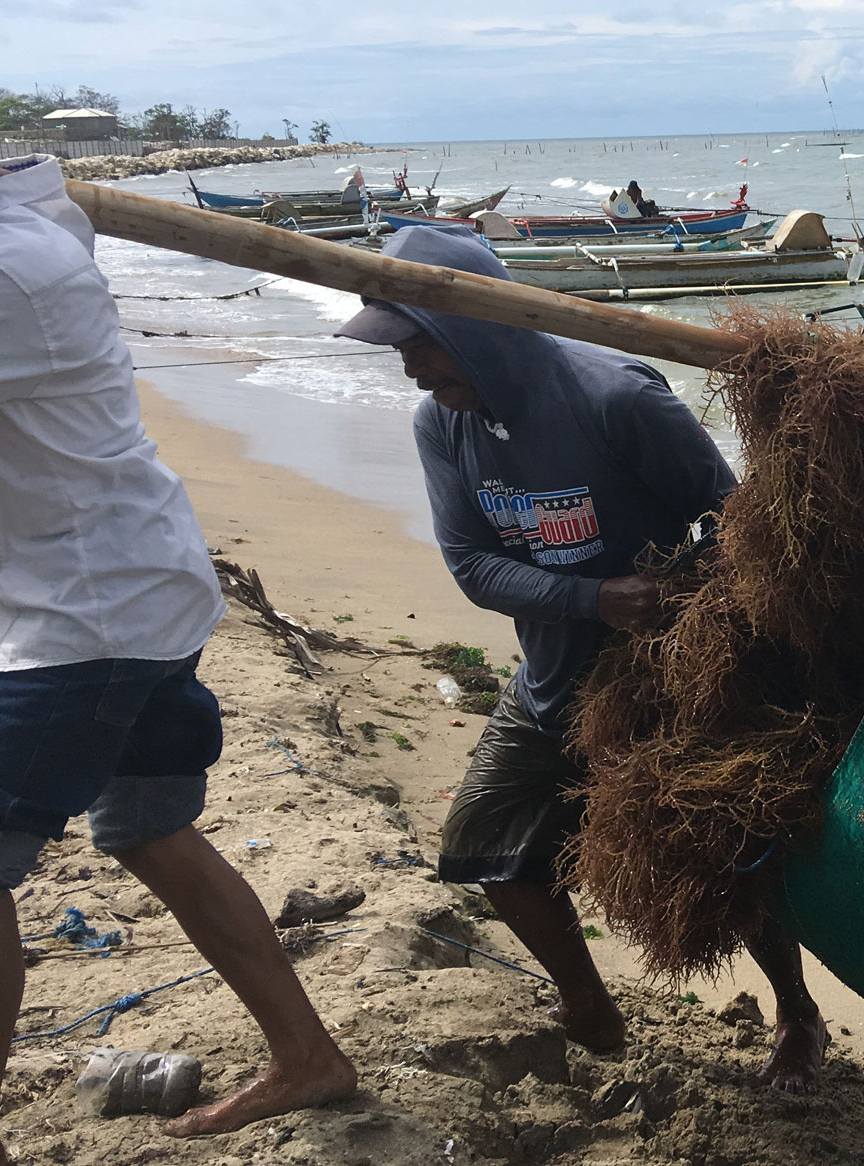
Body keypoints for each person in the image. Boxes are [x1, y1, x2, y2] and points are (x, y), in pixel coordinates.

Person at [0, 0, 356, 1164]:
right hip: (125, 589)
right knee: (149, 827)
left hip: (84, 621)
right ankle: (309, 1056)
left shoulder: (7, 268)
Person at [336, 225, 830, 1091]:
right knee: (482, 846)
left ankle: (796, 1014)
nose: (410, 369)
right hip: (552, 680)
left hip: (670, 683)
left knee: (725, 856)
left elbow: (738, 521)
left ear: (474, 328)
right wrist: (594, 597)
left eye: (419, 345)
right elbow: (472, 565)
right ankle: (588, 1001)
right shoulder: (442, 425)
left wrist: (677, 603)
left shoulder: (616, 398)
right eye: (401, 351)